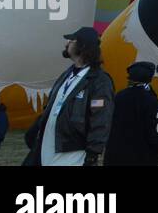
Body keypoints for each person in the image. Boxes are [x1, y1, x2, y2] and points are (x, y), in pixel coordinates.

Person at [23, 27, 115, 167]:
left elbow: (101, 118)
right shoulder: (67, 75)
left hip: (73, 153)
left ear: (82, 46)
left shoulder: (99, 81)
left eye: (72, 40)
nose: (67, 43)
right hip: (48, 148)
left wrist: (92, 154)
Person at [103, 62, 158, 167]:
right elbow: (156, 134)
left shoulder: (119, 96)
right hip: (141, 158)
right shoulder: (150, 100)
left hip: (114, 157)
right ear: (149, 78)